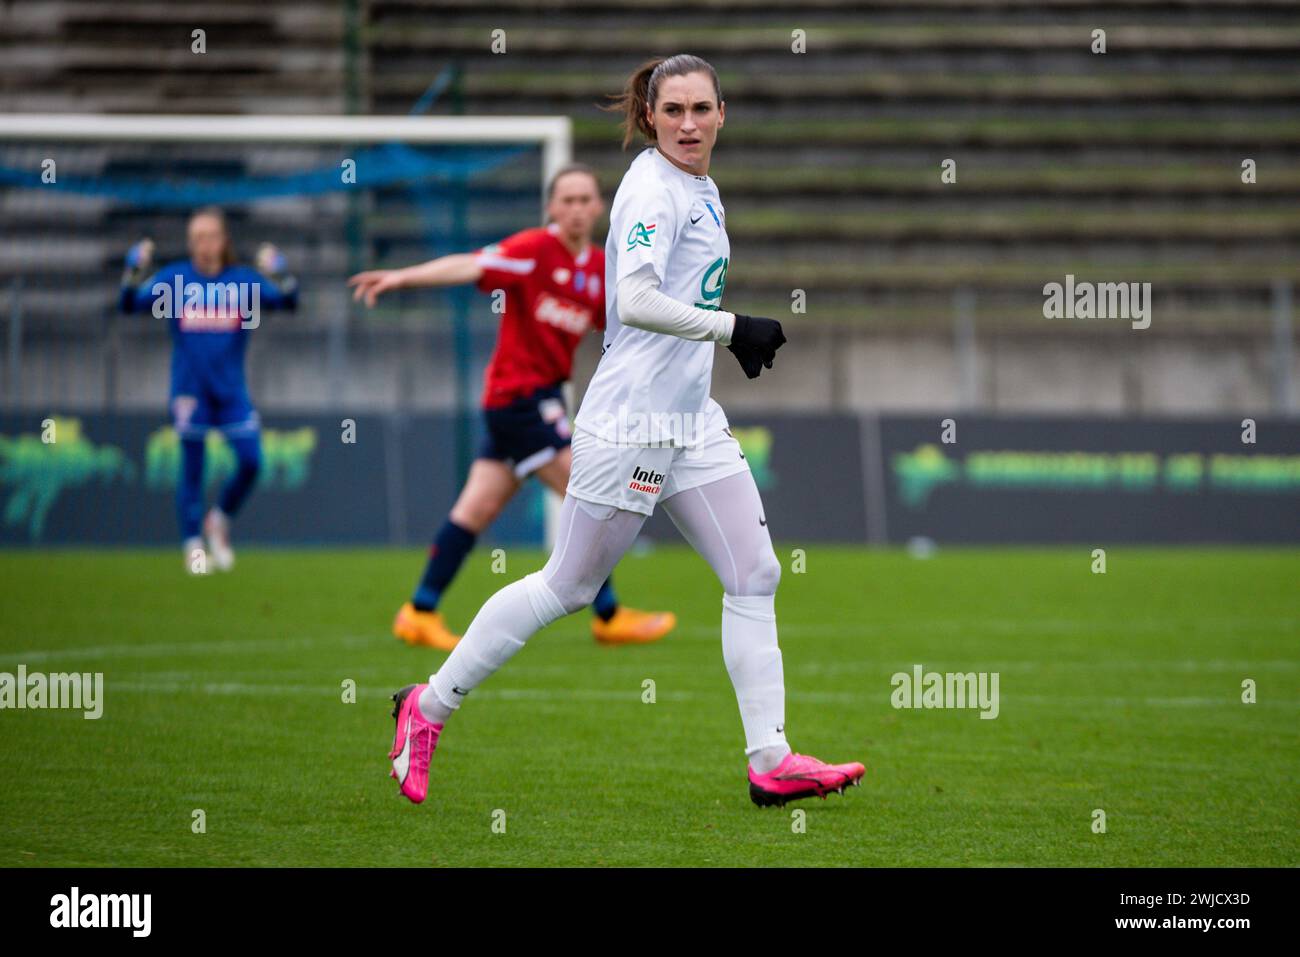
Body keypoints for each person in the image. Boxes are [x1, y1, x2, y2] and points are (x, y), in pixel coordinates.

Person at [387, 55, 865, 808]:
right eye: (671, 110)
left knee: (755, 573)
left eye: (700, 109)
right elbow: (637, 299)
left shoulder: (700, 188)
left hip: (689, 420)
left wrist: (716, 342)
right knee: (569, 586)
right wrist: (733, 327)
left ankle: (770, 759)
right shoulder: (650, 187)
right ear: (649, 117)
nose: (687, 123)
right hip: (633, 420)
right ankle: (428, 706)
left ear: (721, 113)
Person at [348, 165, 677, 650]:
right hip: (521, 401)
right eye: (566, 200)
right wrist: (401, 278)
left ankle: (419, 610)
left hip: (527, 403)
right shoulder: (533, 251)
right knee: (586, 487)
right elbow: (471, 265)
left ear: (598, 207)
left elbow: (628, 323)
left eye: (585, 199)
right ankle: (607, 615)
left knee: (475, 509)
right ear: (551, 208)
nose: (577, 209)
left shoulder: (597, 271)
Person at [119, 207, 297, 573]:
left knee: (251, 462)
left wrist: (279, 268)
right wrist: (133, 270)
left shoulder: (243, 282)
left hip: (232, 392)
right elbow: (129, 304)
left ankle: (219, 520)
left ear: (223, 240)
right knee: (193, 472)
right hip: (190, 391)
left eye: (210, 236)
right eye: (196, 238)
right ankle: (194, 549)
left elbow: (289, 302)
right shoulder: (175, 280)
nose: (204, 244)